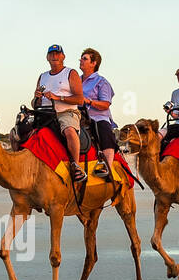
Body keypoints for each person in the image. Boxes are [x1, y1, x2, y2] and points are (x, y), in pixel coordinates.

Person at [34, 44, 87, 183]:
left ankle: (76, 166)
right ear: (47, 57)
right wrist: (37, 98)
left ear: (63, 56)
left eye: (57, 54)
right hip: (44, 114)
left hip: (66, 112)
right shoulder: (42, 76)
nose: (54, 57)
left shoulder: (70, 73)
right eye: (51, 54)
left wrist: (58, 97)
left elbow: (80, 99)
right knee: (18, 131)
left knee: (69, 131)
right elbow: (34, 104)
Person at [78, 48, 119, 178]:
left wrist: (88, 101)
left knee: (104, 129)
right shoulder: (75, 81)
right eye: (81, 58)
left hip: (97, 116)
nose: (81, 60)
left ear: (94, 63)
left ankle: (107, 167)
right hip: (77, 115)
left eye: (85, 58)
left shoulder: (101, 82)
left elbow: (105, 104)